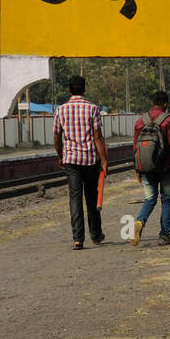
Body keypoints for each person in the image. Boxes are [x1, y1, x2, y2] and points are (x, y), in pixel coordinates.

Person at [54, 75, 108, 250]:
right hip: (90, 159)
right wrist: (104, 160)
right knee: (91, 197)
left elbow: (57, 136)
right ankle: (96, 234)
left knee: (74, 198)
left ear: (69, 89)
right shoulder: (93, 108)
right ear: (84, 89)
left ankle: (78, 239)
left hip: (70, 159)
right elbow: (97, 136)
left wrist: (60, 155)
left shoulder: (60, 110)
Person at [130, 90, 170, 246]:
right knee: (166, 200)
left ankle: (139, 222)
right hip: (166, 168)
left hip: (147, 167)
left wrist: (138, 169)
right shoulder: (168, 120)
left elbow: (135, 147)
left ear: (152, 103)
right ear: (165, 104)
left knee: (150, 199)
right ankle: (164, 235)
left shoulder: (141, 121)